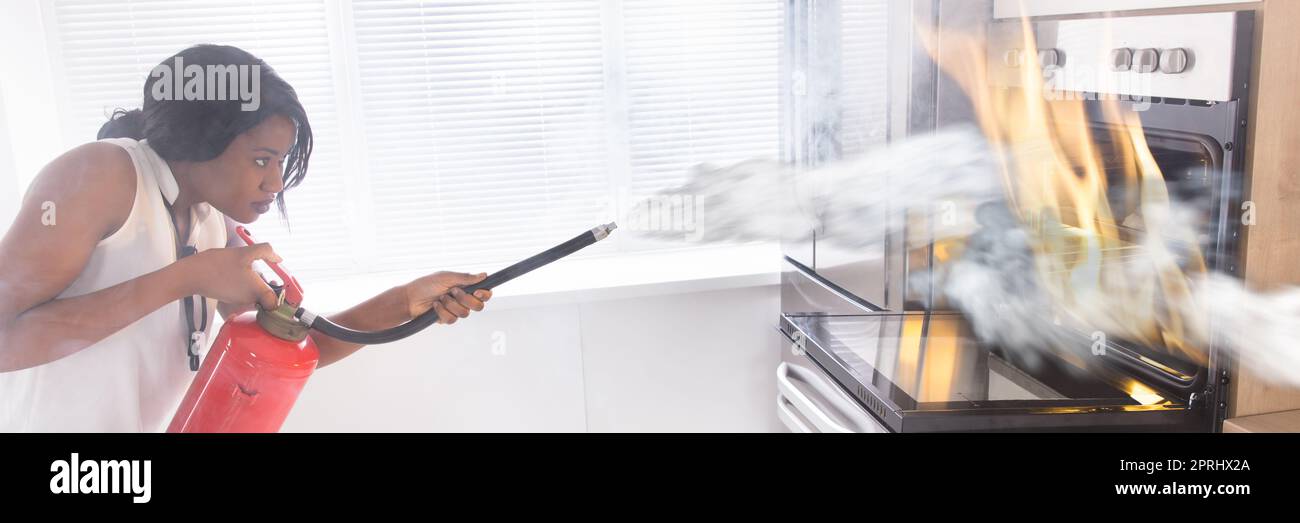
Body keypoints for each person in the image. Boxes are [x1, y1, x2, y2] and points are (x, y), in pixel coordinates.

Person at [0, 44, 490, 432]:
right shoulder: (101, 173)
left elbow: (288, 351)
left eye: (281, 162)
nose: (275, 184)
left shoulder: (213, 221)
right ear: (200, 139)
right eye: (261, 160)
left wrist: (405, 303)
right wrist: (184, 279)